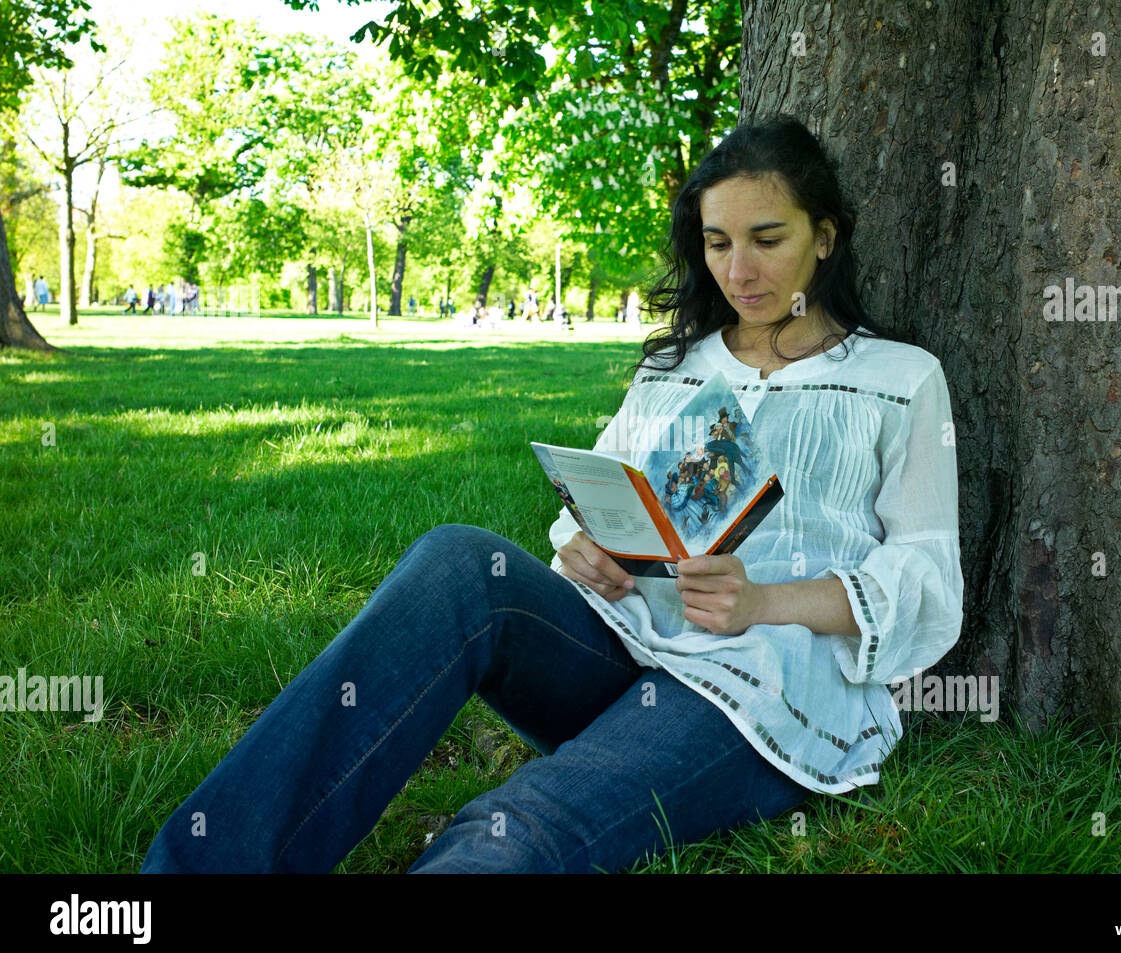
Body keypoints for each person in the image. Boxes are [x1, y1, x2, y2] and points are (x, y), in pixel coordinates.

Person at [138, 113, 963, 875]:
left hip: (756, 691)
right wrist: (586, 550)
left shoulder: (899, 380)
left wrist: (767, 602)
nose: (738, 271)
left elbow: (927, 577)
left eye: (766, 239)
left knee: (522, 824)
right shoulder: (677, 368)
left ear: (826, 237)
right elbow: (603, 497)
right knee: (460, 561)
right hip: (621, 647)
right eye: (716, 243)